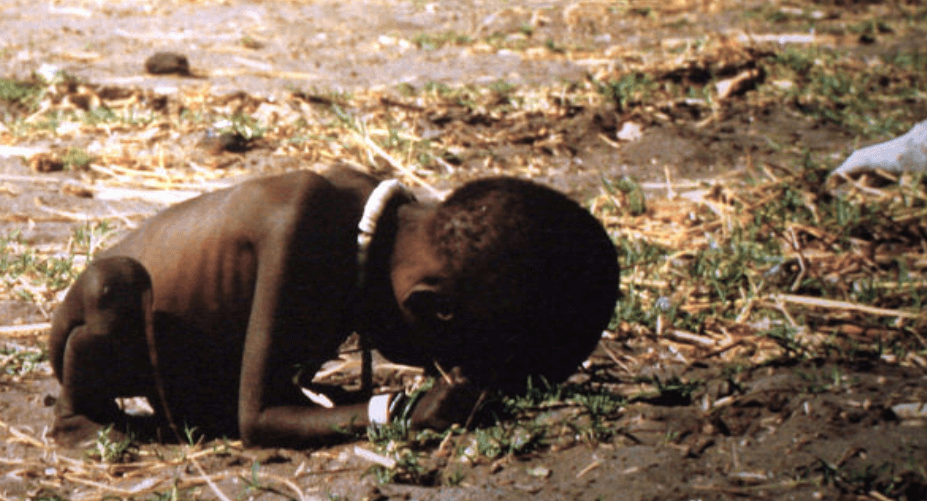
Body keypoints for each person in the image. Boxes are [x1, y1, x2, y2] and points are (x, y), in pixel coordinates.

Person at [48, 166, 619, 447]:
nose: (439, 372)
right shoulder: (306, 225)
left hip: (200, 366)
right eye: (447, 360)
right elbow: (259, 419)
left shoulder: (388, 229)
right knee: (114, 293)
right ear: (430, 309)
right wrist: (397, 414)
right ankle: (80, 415)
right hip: (117, 331)